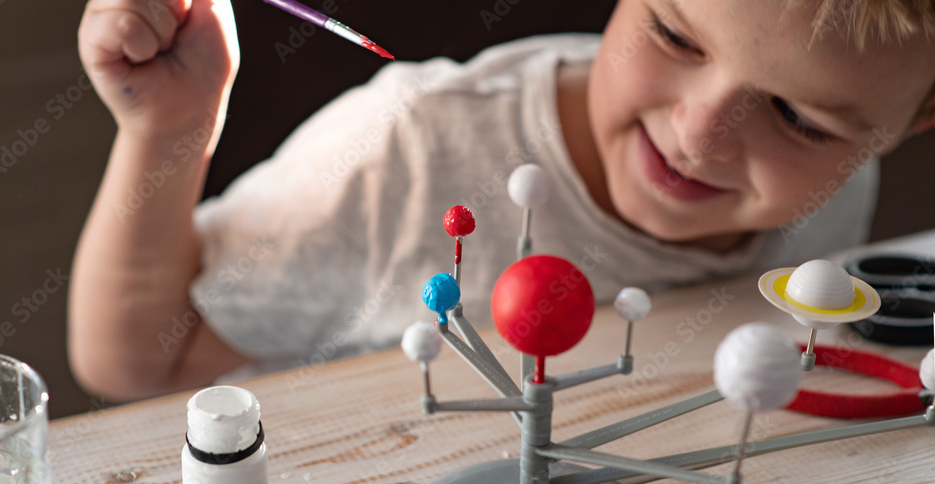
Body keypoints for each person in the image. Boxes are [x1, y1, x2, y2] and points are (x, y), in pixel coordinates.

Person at [72, 0, 935, 401]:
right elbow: (140, 363)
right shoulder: (403, 154)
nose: (700, 134)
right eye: (673, 35)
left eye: (797, 118)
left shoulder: (839, 179)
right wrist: (169, 132)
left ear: (909, 121)